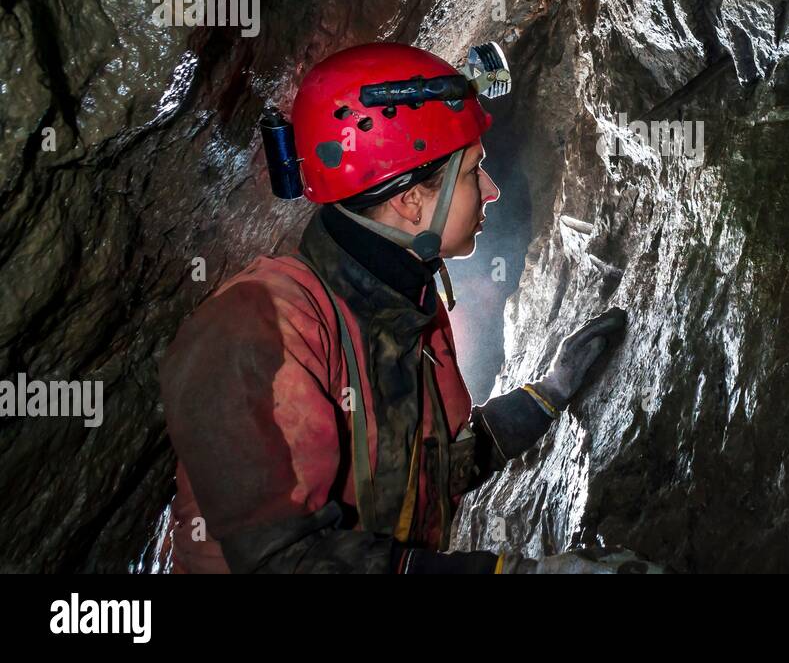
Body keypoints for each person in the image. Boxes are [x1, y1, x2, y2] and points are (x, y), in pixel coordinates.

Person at [159, 42, 630, 573]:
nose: (492, 190)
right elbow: (286, 562)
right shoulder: (261, 329)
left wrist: (548, 395)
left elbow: (435, 471)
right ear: (409, 201)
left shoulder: (405, 309)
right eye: (474, 172)